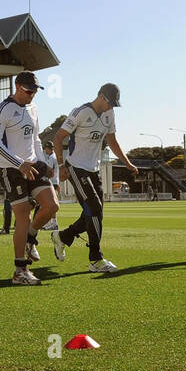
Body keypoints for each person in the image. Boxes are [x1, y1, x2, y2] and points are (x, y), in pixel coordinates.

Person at [51, 82, 140, 272]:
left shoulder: (109, 114)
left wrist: (127, 163)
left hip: (94, 169)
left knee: (95, 214)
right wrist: (60, 165)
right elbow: (58, 137)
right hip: (75, 167)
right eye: (109, 103)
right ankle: (95, 259)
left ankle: (63, 236)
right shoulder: (81, 112)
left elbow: (112, 141)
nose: (111, 107)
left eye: (114, 105)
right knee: (94, 208)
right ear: (101, 96)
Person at [0, 70, 59, 285]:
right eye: (29, 91)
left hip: (32, 165)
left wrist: (42, 162)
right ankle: (20, 271)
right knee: (23, 215)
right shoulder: (2, 110)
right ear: (18, 87)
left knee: (52, 205)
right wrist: (20, 164)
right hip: (11, 169)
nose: (32, 95)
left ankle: (30, 238)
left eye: (35, 91)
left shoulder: (33, 108)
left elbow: (35, 138)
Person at [39, 140, 61, 232]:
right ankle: (51, 222)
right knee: (50, 204)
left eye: (47, 149)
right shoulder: (51, 156)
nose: (47, 150)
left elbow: (48, 170)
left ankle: (54, 223)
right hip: (53, 181)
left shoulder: (52, 158)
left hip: (53, 182)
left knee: (51, 204)